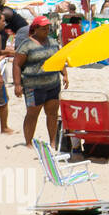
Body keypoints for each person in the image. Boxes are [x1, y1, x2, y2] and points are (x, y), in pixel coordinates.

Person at [12, 16, 68, 148]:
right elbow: (16, 64)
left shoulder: (53, 42)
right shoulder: (26, 44)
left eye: (48, 28)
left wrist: (64, 74)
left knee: (53, 114)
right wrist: (17, 84)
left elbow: (59, 59)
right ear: (35, 29)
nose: (47, 30)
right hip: (33, 87)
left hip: (53, 84)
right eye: (43, 28)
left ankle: (53, 142)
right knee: (32, 114)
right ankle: (28, 142)